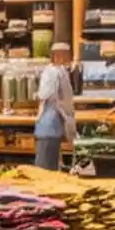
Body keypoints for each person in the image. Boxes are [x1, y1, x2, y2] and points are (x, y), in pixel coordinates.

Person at [34, 42, 77, 171]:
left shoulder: (59, 71)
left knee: (49, 166)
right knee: (45, 169)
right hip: (49, 126)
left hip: (50, 126)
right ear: (58, 56)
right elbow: (47, 97)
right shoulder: (52, 72)